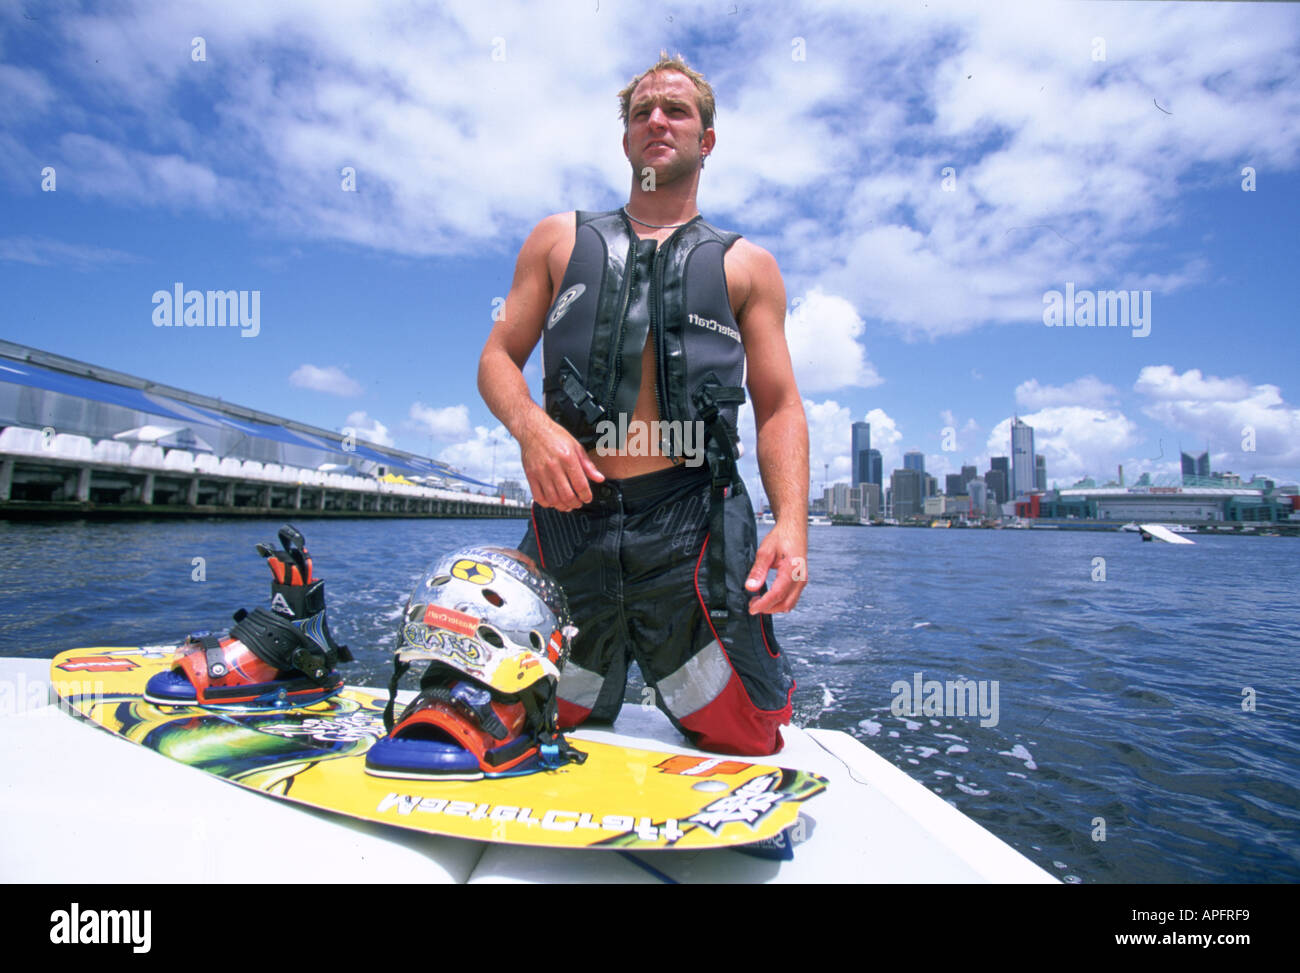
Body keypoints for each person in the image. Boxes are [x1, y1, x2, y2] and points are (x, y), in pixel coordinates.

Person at [477, 52, 809, 756]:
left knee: (747, 735)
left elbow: (778, 405)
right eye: (641, 112)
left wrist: (793, 527)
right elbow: (497, 358)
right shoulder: (556, 241)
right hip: (570, 520)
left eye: (676, 110)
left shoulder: (749, 266)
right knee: (523, 717)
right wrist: (532, 428)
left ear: (706, 139)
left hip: (695, 526)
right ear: (626, 138)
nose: (657, 120)